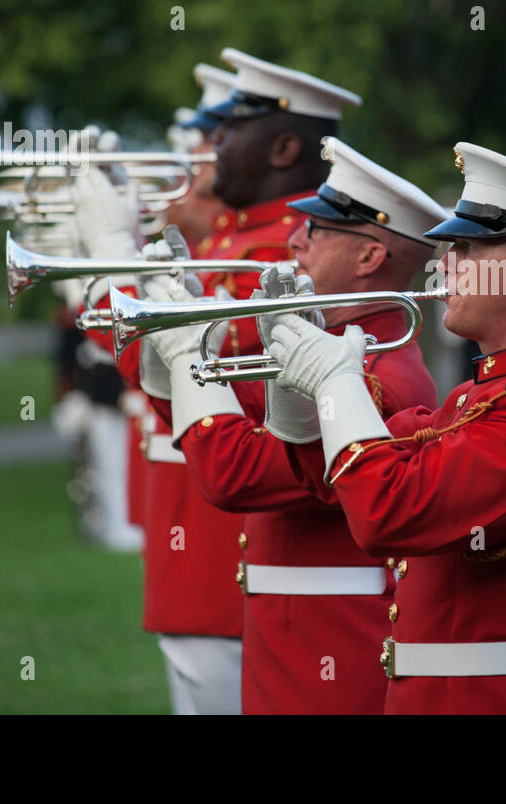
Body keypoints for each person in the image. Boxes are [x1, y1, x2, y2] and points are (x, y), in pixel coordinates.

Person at [257, 142, 506, 714]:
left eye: (467, 247)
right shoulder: (479, 395)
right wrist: (289, 382)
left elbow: (387, 512)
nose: (443, 264)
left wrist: (336, 383)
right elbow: (326, 479)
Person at [71, 48, 361, 714]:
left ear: (285, 146)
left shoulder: (291, 252)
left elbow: (185, 367)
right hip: (201, 523)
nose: (208, 150)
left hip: (230, 535)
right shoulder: (234, 241)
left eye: (227, 133)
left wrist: (110, 260)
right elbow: (139, 361)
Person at [139, 137, 445, 713]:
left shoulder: (380, 376)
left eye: (318, 230)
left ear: (369, 258)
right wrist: (167, 364)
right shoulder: (331, 350)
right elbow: (233, 420)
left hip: (330, 640)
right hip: (288, 629)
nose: (294, 240)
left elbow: (239, 475)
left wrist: (185, 357)